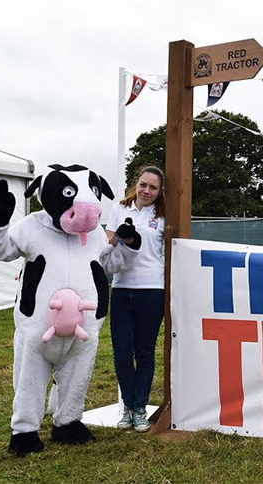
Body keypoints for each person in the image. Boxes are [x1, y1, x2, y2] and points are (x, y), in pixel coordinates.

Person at [106, 166, 166, 432]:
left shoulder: (164, 214)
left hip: (152, 289)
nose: (147, 191)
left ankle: (140, 408)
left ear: (160, 191)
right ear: (136, 184)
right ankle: (127, 406)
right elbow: (108, 242)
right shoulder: (120, 209)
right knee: (121, 351)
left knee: (144, 351)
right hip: (121, 288)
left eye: (153, 188)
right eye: (143, 185)